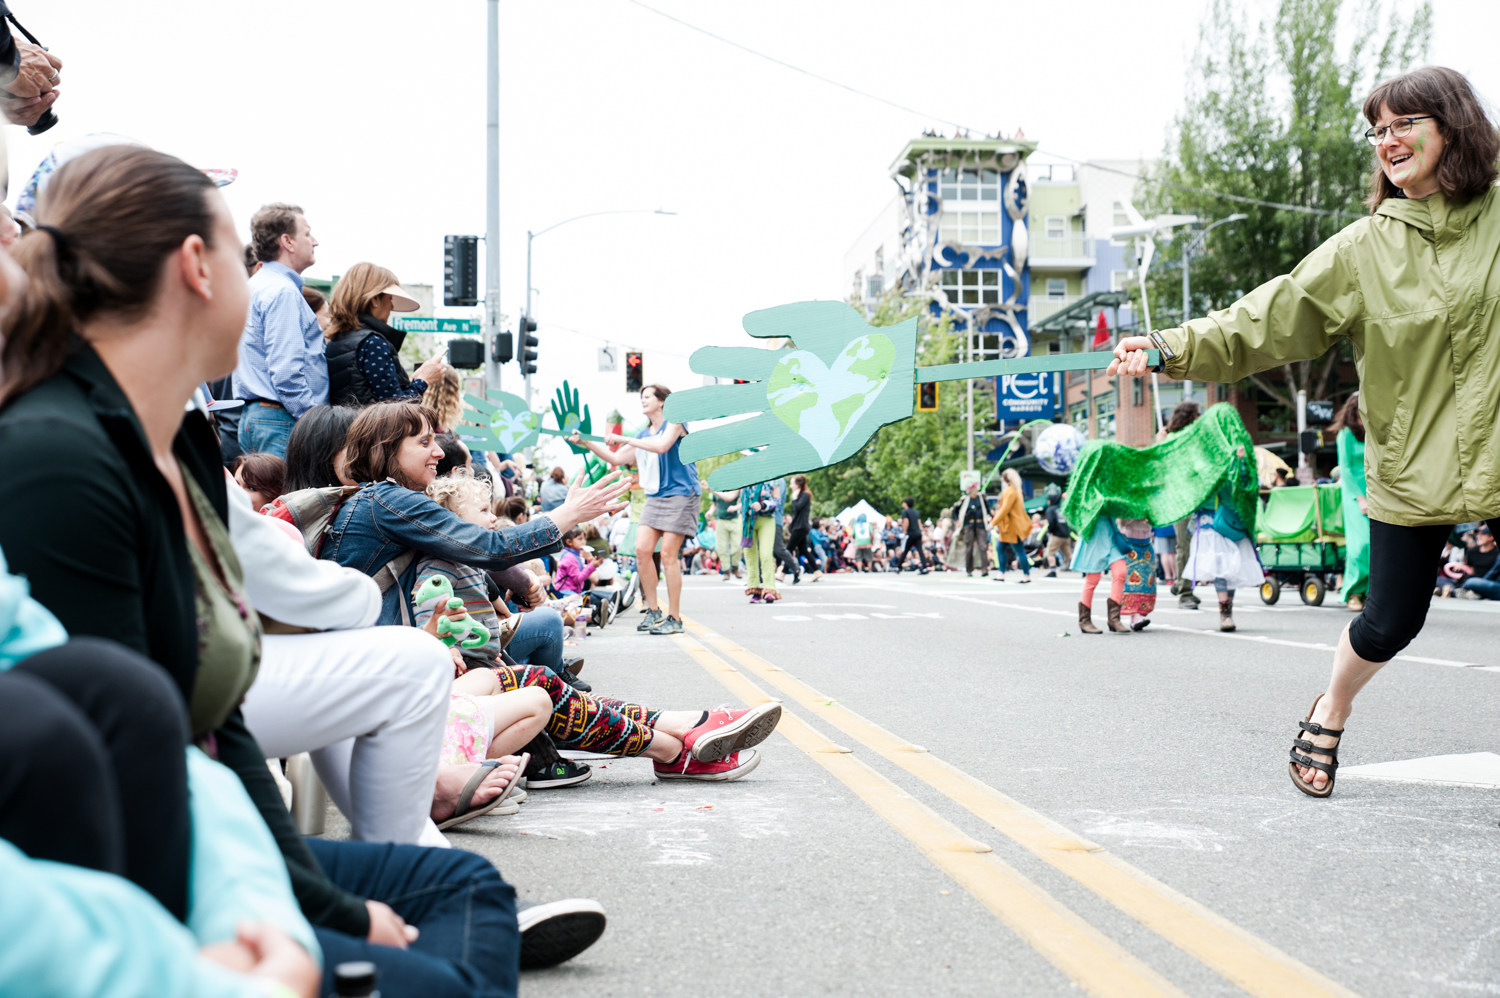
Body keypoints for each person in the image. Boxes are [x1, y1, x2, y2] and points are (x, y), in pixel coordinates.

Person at [0, 145, 561, 996]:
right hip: (142, 892)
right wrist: (315, 912)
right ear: (196, 266)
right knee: (443, 951)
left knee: (467, 888)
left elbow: (213, 729)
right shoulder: (58, 457)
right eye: (243, 256)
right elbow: (133, 764)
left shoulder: (170, 441)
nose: (282, 292)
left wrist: (315, 898)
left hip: (206, 845)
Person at [1109, 65, 1500, 798]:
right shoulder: (1364, 250)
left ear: (1454, 125)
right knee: (1388, 624)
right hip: (1413, 463)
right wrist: (1171, 346)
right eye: (1378, 130)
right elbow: (1270, 316)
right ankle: (1333, 705)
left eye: (1404, 123)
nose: (1388, 141)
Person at [416, 471, 781, 782]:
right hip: (463, 683)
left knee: (570, 696)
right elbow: (428, 613)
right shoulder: (438, 567)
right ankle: (676, 746)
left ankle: (681, 730)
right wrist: (445, 647)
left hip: (485, 667)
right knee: (549, 687)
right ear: (452, 521)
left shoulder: (469, 562)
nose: (492, 518)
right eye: (483, 511)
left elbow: (494, 596)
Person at [571, 384, 699, 635]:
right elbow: (617, 459)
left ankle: (674, 617)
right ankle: (653, 610)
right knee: (642, 550)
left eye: (647, 397)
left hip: (682, 494)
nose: (642, 401)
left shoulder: (675, 422)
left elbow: (662, 445)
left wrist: (626, 439)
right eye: (641, 397)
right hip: (656, 496)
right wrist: (587, 442)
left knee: (668, 556)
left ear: (663, 401)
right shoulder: (642, 434)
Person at [231, 202, 325, 457]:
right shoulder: (282, 292)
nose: (314, 241)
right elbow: (286, 374)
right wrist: (315, 422)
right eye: (307, 233)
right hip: (281, 420)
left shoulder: (255, 286)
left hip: (260, 418)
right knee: (287, 497)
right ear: (288, 241)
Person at [324, 262, 444, 407]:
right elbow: (396, 407)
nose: (392, 307)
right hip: (371, 429)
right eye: (390, 298)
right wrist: (424, 380)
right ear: (374, 299)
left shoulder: (336, 341)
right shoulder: (372, 343)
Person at [1329, 393, 1370, 611]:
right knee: (1361, 544)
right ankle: (1353, 591)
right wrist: (1361, 498)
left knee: (1379, 547)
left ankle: (1369, 593)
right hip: (1355, 493)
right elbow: (1345, 468)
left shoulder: (1374, 431)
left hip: (1377, 492)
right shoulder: (1345, 433)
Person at [1162, 402, 1203, 609]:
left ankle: (1182, 583)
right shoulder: (1173, 440)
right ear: (1188, 417)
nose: (1199, 417)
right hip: (1182, 499)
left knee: (1196, 545)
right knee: (1184, 545)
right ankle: (1185, 592)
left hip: (1198, 497)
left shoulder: (1197, 437)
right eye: (1197, 414)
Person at [740, 479, 782, 601]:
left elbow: (778, 502)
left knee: (766, 554)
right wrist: (711, 490)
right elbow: (731, 496)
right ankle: (755, 590)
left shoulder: (772, 481)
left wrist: (763, 505)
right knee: (750, 556)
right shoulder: (744, 480)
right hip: (747, 522)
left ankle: (769, 589)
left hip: (766, 519)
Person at [991, 469, 1032, 583]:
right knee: (1002, 548)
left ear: (1005, 479)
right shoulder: (1016, 491)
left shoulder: (1010, 491)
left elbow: (1004, 509)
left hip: (1011, 527)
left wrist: (993, 523)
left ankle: (1025, 575)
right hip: (1011, 527)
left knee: (1018, 551)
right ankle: (1001, 573)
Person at [948, 482, 992, 576]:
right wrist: (958, 520)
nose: (977, 490)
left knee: (983, 547)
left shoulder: (982, 498)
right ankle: (969, 570)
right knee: (969, 548)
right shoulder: (964, 499)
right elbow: (954, 510)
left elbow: (988, 509)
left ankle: (984, 569)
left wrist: (990, 516)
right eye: (975, 488)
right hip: (969, 526)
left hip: (981, 525)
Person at [707, 482, 742, 580]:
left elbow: (740, 501)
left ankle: (735, 567)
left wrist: (735, 507)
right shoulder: (716, 488)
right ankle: (726, 571)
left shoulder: (735, 487)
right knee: (721, 547)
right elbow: (714, 505)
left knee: (738, 546)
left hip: (734, 520)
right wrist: (710, 512)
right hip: (721, 521)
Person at [1043, 487, 1073, 577]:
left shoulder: (1050, 510)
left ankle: (1053, 571)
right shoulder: (1063, 509)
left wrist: (1050, 531)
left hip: (1056, 535)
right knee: (1068, 553)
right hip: (1066, 535)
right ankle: (1083, 570)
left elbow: (1051, 522)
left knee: (1050, 552)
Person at [898, 496, 928, 574]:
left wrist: (904, 532)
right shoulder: (916, 512)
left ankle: (899, 567)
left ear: (906, 503)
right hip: (918, 533)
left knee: (906, 550)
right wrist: (922, 532)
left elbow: (906, 522)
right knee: (920, 550)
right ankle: (924, 567)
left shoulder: (905, 512)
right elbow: (919, 523)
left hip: (911, 533)